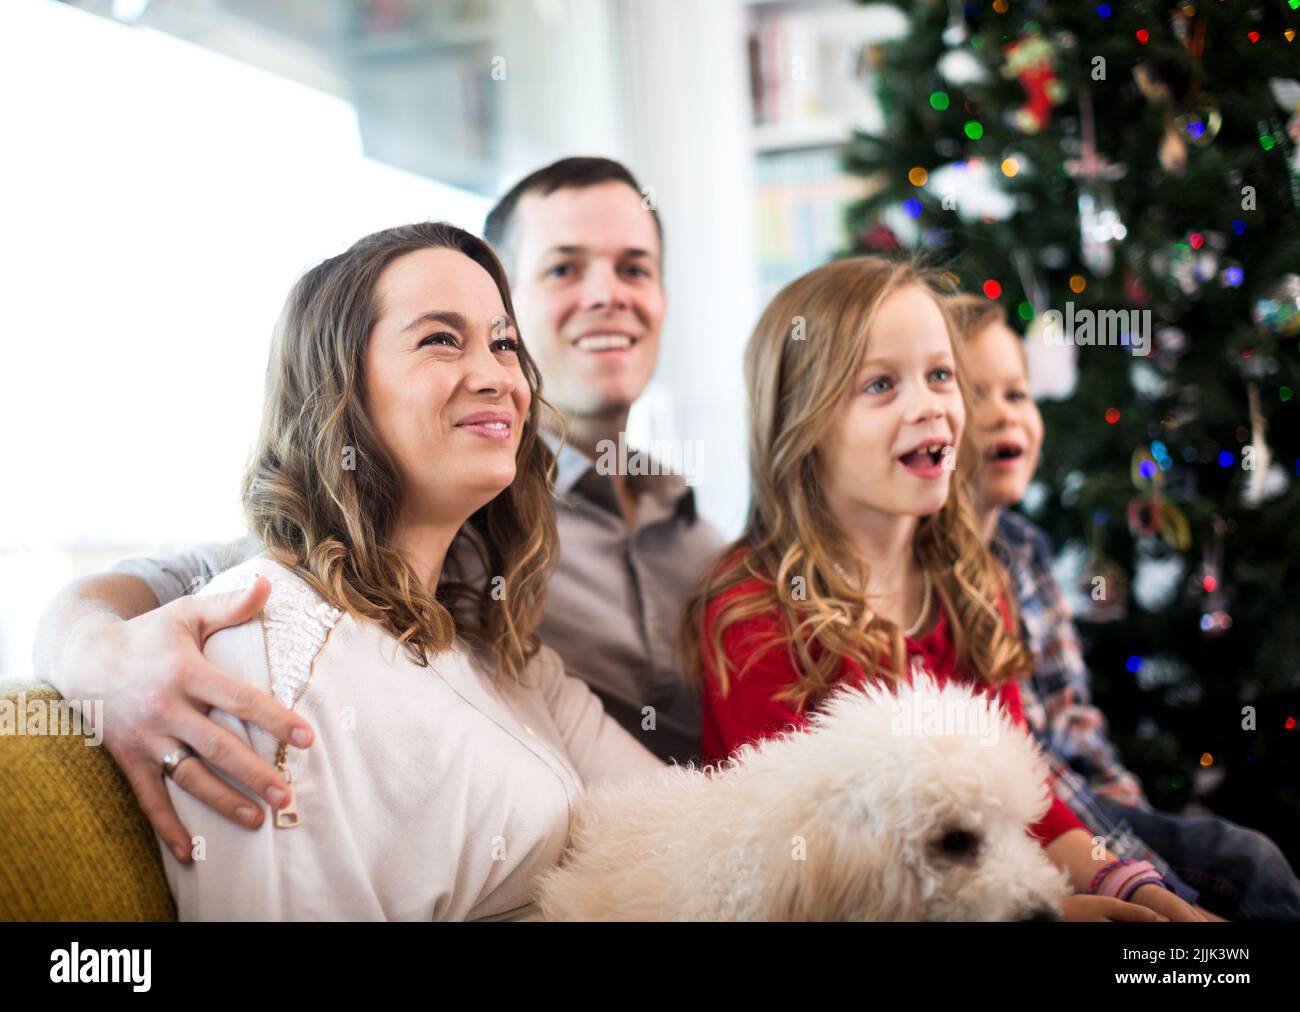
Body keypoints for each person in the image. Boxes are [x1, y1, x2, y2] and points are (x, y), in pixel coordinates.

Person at [33, 157, 722, 867]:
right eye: (565, 269)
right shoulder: (398, 540)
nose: (608, 295)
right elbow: (210, 577)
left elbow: (697, 814)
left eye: (635, 269)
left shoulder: (703, 539)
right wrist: (92, 654)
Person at [154, 220, 664, 919]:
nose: (496, 378)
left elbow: (693, 822)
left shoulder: (494, 652)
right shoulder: (271, 644)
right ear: (339, 390)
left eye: (504, 343)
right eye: (440, 339)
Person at [683, 256, 1213, 921]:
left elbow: (1025, 806)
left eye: (940, 375)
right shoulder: (754, 616)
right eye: (881, 384)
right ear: (805, 424)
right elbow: (805, 884)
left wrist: (1135, 889)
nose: (930, 403)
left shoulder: (974, 582)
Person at [948, 293, 1300, 921]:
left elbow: (1073, 715)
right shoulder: (935, 577)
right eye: (977, 396)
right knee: (1246, 867)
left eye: (1018, 394)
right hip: (1032, 824)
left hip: (1090, 809)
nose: (1005, 417)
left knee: (1248, 857)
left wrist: (1123, 811)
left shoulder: (1025, 548)